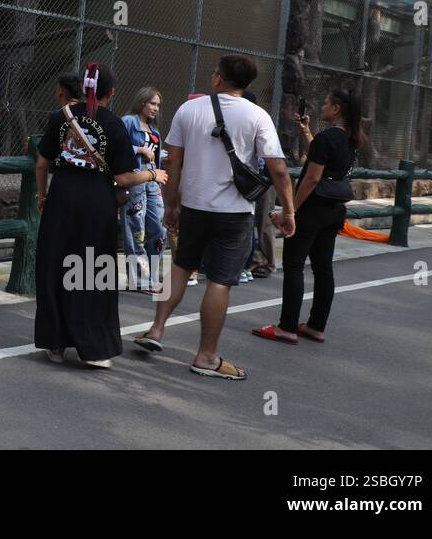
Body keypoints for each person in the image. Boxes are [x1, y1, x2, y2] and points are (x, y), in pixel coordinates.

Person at [133, 55, 296, 380]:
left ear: (219, 79)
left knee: (181, 268)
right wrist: (288, 210)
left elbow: (173, 163)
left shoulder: (188, 110)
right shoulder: (258, 116)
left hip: (194, 206)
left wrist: (171, 204)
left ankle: (156, 330)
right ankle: (206, 356)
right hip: (234, 214)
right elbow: (278, 168)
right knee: (220, 282)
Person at [34, 63, 166, 367]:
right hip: (96, 205)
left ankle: (56, 344)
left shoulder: (61, 117)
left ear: (84, 88)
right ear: (111, 92)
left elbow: (42, 163)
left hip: (61, 200)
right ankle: (94, 349)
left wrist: (43, 196)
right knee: (91, 271)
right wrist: (152, 174)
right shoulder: (114, 123)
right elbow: (122, 177)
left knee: (55, 266)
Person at [252, 88, 362, 344]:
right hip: (334, 211)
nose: (321, 107)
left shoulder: (328, 138)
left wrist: (290, 210)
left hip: (312, 210)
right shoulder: (351, 138)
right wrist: (305, 130)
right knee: (323, 268)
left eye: (326, 103)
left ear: (336, 109)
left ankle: (287, 327)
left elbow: (312, 177)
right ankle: (315, 326)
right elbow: (321, 156)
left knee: (294, 266)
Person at [120, 86, 166, 291]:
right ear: (142, 102)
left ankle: (151, 275)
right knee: (136, 229)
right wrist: (138, 149)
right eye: (152, 103)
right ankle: (139, 279)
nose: (156, 108)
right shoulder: (129, 121)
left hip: (153, 179)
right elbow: (115, 147)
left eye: (158, 105)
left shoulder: (154, 130)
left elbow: (155, 155)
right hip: (135, 178)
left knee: (159, 227)